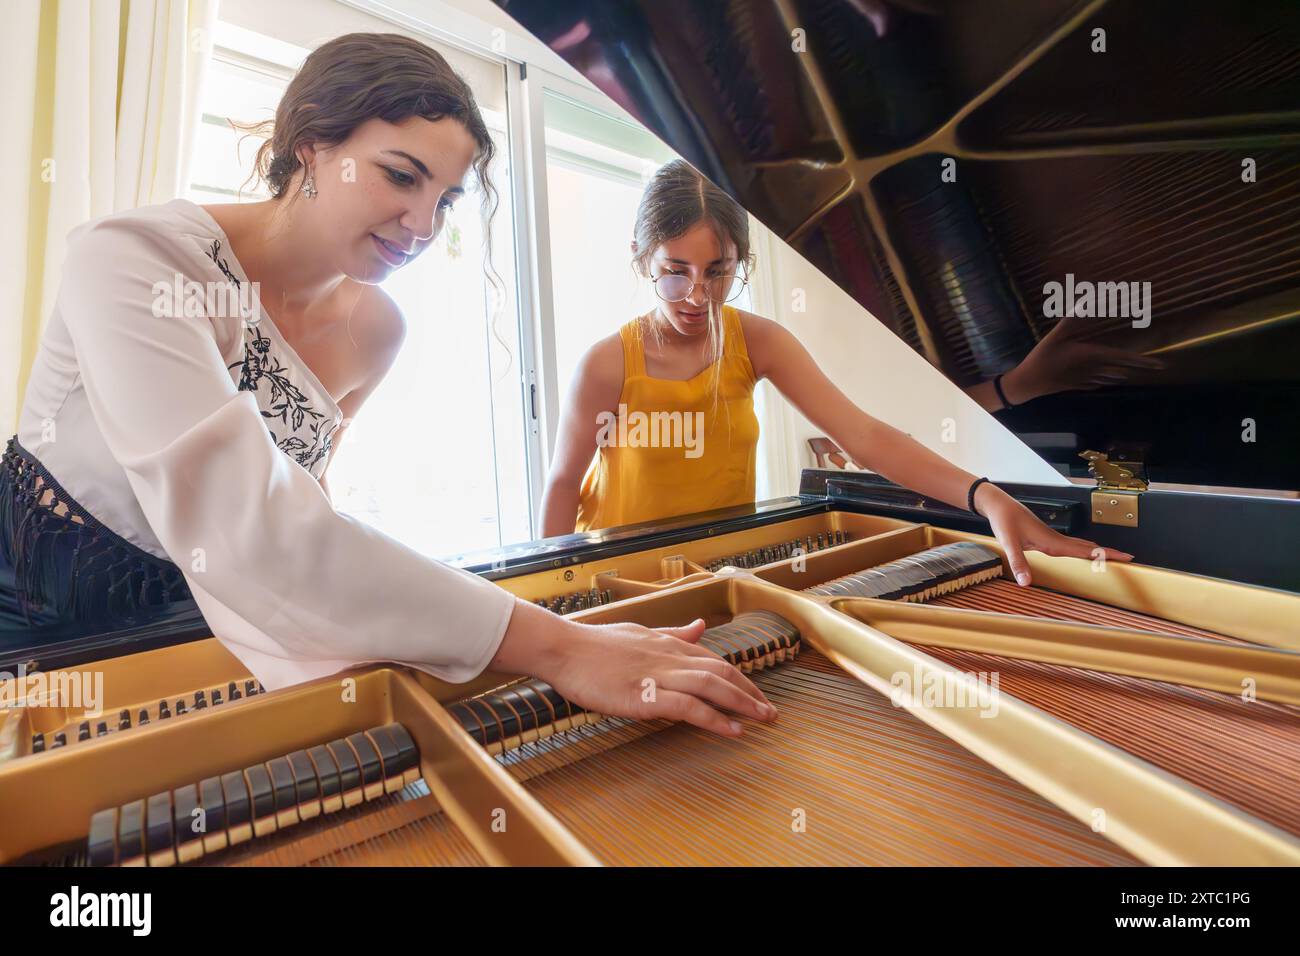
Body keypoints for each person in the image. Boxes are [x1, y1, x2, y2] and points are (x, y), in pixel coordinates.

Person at [0, 33, 774, 738]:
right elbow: (251, 527)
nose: (423, 225)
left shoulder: (378, 329)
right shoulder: (135, 258)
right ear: (310, 144)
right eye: (400, 177)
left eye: (445, 199)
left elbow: (306, 494)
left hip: (227, 630)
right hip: (39, 629)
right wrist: (560, 647)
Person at [540, 160, 1133, 585]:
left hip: (721, 575)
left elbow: (866, 437)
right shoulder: (607, 363)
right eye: (675, 271)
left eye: (718, 272)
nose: (698, 295)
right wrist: (552, 597)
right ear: (643, 258)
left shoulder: (759, 342)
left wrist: (988, 497)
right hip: (615, 580)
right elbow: (564, 485)